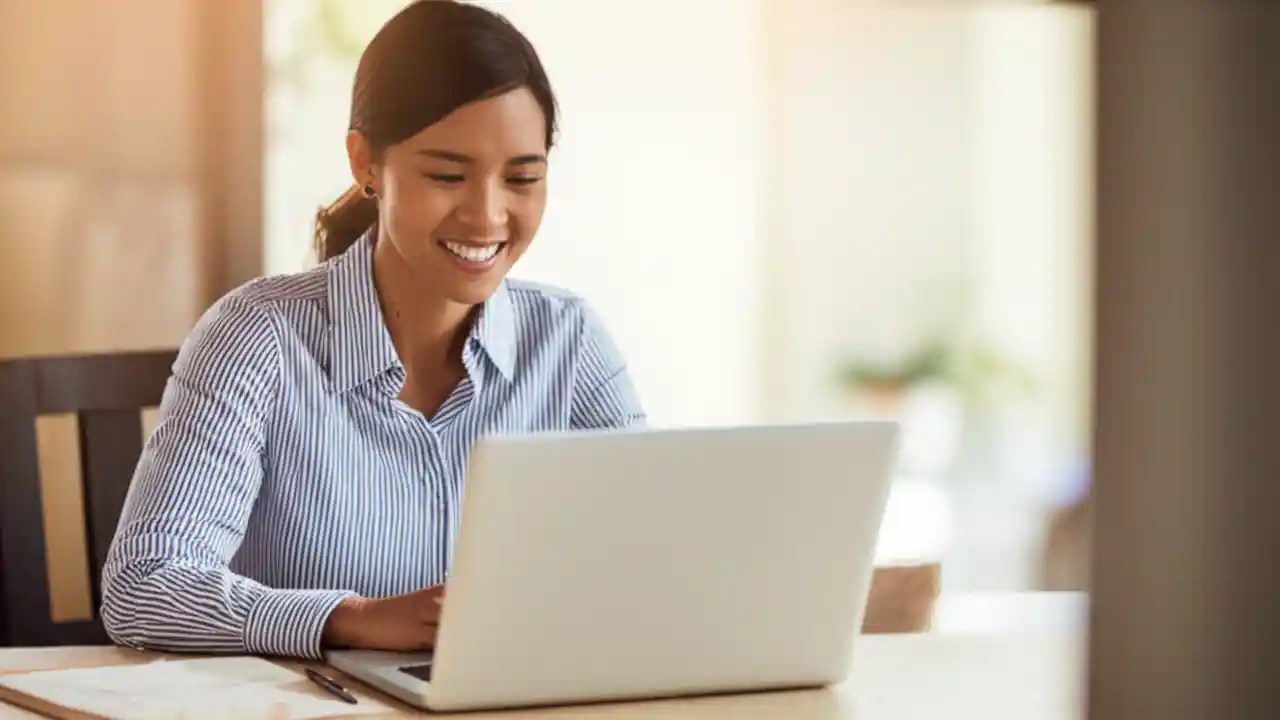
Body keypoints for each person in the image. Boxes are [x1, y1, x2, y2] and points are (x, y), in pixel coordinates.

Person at [100, 0, 644, 660]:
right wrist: (349, 619)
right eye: (448, 175)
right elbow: (144, 589)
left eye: (523, 177)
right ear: (366, 164)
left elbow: (654, 559)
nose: (488, 214)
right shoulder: (258, 337)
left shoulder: (571, 343)